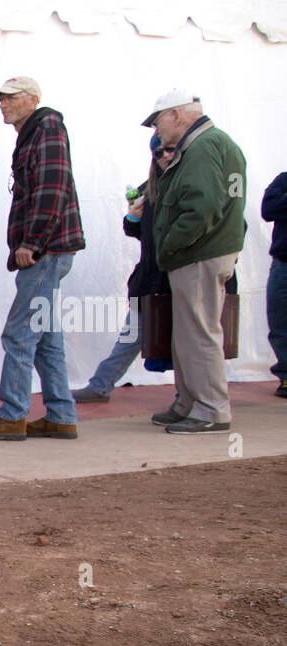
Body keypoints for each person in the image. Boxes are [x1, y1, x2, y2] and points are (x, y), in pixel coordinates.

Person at [0, 77, 85, 442]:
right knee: (46, 336)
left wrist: (31, 242)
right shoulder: (35, 132)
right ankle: (61, 415)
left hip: (45, 252)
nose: (3, 103)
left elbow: (53, 188)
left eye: (11, 97)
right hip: (51, 250)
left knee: (18, 334)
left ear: (33, 99)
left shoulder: (47, 128)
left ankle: (12, 415)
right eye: (0, 98)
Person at [146, 89, 247, 433]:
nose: (157, 130)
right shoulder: (215, 143)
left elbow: (202, 207)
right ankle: (191, 402)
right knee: (189, 333)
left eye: (158, 120)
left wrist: (170, 245)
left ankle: (210, 409)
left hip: (199, 253)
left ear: (176, 114)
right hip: (207, 251)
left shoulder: (203, 146)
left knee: (199, 334)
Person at [74, 137, 176, 403]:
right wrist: (133, 216)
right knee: (132, 335)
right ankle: (100, 385)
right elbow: (136, 231)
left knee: (190, 342)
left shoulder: (188, 185)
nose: (165, 155)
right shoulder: (149, 188)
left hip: (180, 278)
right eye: (159, 151)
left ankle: (193, 396)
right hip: (151, 279)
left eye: (171, 149)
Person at [265, 171, 287, 398]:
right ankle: (286, 375)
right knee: (280, 322)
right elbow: (268, 210)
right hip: (283, 263)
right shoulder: (283, 179)